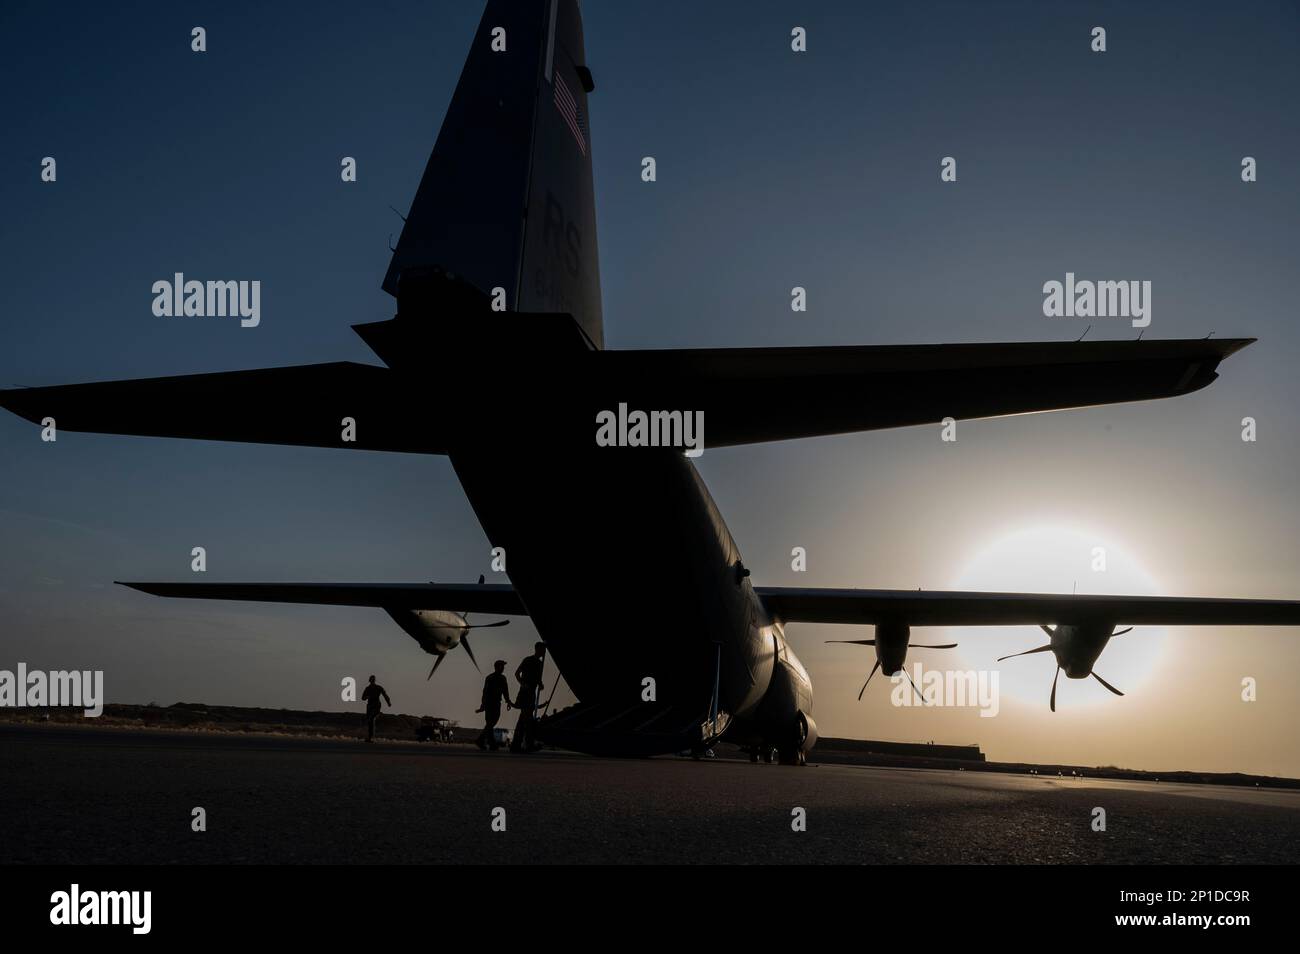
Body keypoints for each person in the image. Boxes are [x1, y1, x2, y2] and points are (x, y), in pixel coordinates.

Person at [510, 642, 546, 753]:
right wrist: (522, 683)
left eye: (544, 650)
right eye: (541, 650)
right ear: (537, 649)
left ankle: (516, 745)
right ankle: (527, 744)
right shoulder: (528, 660)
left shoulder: (540, 664)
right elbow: (517, 673)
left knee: (523, 720)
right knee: (527, 720)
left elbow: (537, 678)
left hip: (532, 693)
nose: (543, 652)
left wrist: (540, 684)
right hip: (525, 693)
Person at [475, 660, 513, 751]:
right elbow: (485, 692)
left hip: (494, 703)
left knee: (490, 723)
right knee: (490, 723)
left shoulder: (499, 678)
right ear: (497, 667)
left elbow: (505, 691)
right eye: (502, 666)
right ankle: (489, 744)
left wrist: (508, 701)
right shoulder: (492, 678)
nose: (503, 668)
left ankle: (484, 741)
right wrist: (483, 704)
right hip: (491, 703)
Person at [361, 675, 391, 742]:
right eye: (371, 680)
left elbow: (385, 695)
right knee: (369, 721)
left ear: (374, 680)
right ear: (370, 681)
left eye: (373, 680)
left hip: (376, 706)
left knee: (371, 719)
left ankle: (371, 737)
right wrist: (367, 697)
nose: (372, 681)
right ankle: (370, 737)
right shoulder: (367, 688)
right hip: (369, 706)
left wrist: (388, 702)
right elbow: (362, 698)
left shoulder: (379, 688)